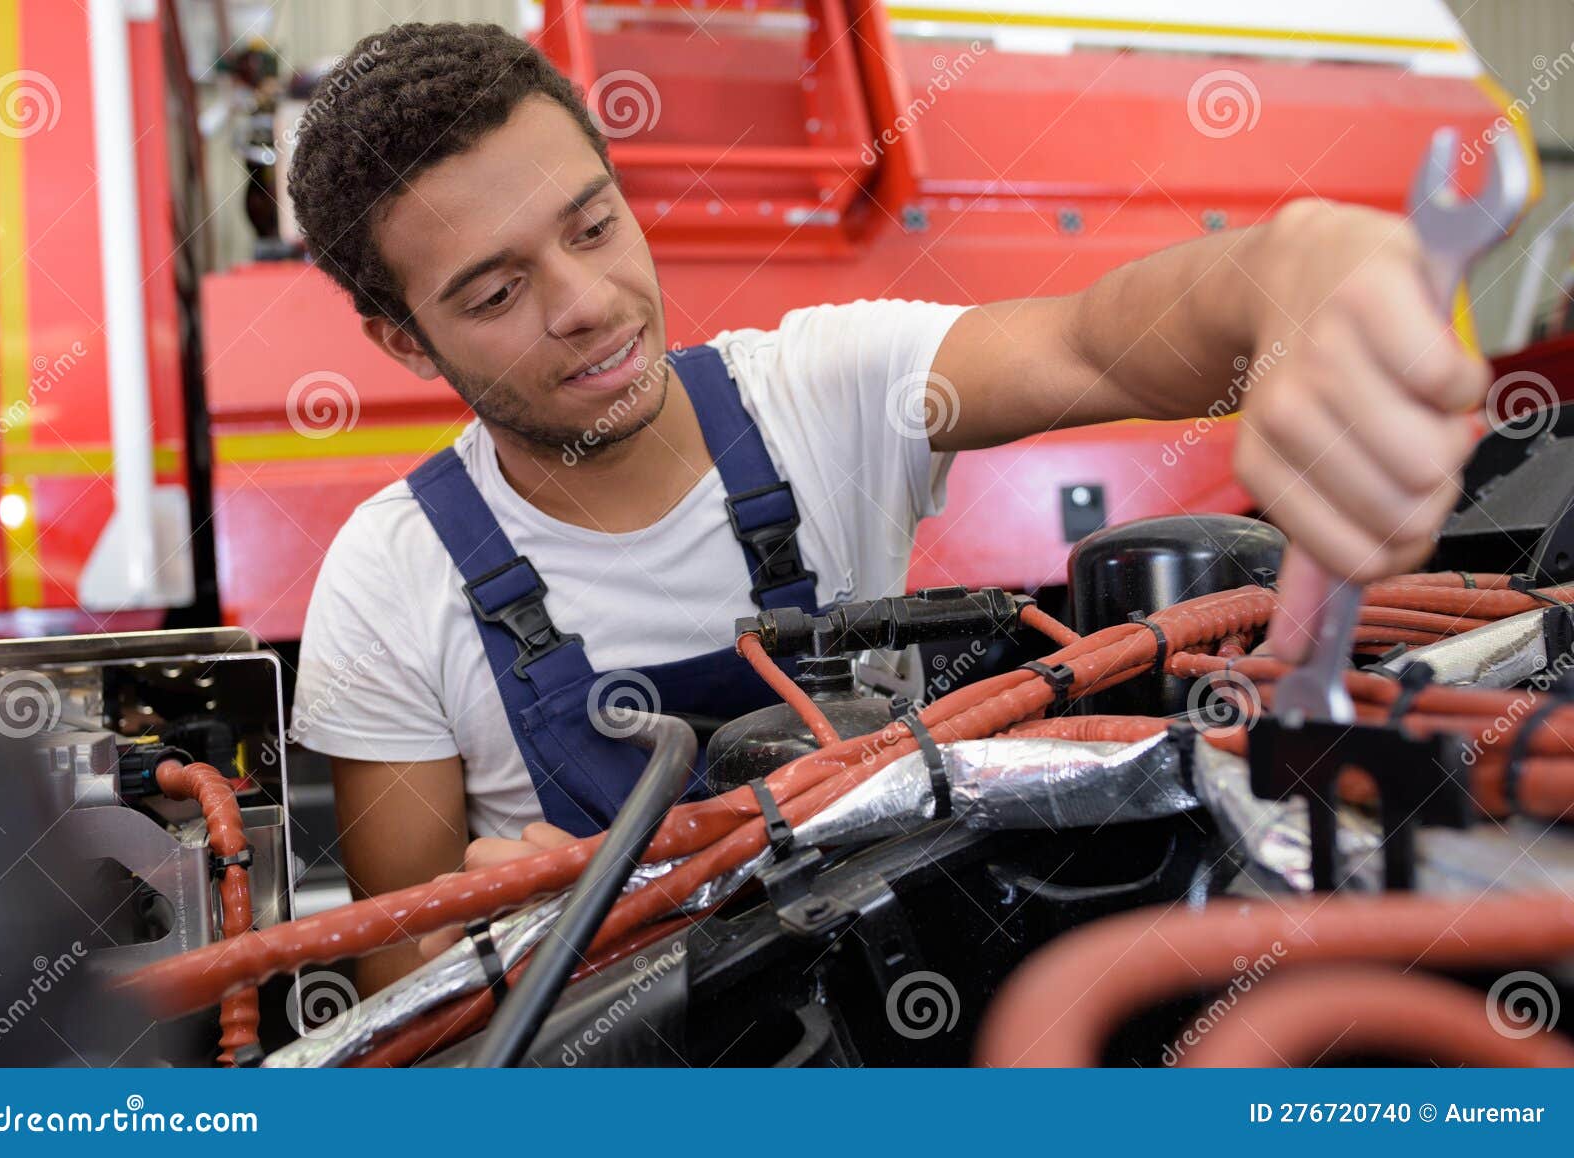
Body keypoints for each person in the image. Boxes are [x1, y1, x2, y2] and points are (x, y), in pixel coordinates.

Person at [286, 23, 1490, 991]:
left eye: (595, 225)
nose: (586, 301)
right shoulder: (392, 581)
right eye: (496, 291)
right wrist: (522, 936)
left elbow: (1104, 339)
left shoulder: (821, 392)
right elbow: (399, 988)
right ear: (402, 339)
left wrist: (1301, 268)